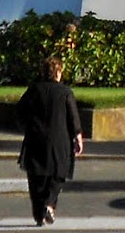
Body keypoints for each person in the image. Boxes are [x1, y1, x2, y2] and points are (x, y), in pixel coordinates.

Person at [17, 56, 83, 226]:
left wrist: (25, 127)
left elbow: (20, 112)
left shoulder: (34, 90)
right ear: (58, 72)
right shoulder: (65, 92)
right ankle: (49, 203)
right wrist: (78, 136)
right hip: (59, 139)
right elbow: (73, 117)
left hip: (36, 138)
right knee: (59, 173)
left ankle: (39, 214)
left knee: (36, 178)